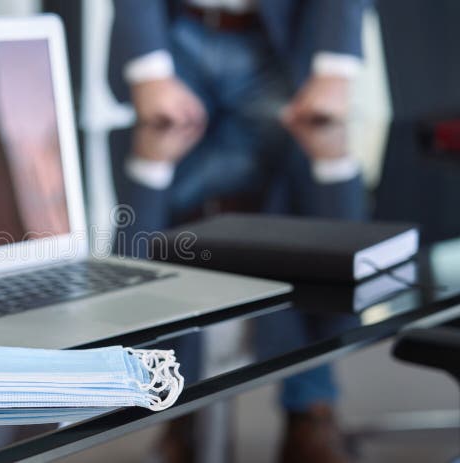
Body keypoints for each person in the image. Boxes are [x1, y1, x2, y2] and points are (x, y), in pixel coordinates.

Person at [109, 1, 369, 462]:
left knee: (304, 220)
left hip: (278, 39)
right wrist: (149, 70)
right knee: (158, 210)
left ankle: (311, 406)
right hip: (176, 37)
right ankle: (175, 407)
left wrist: (335, 67)